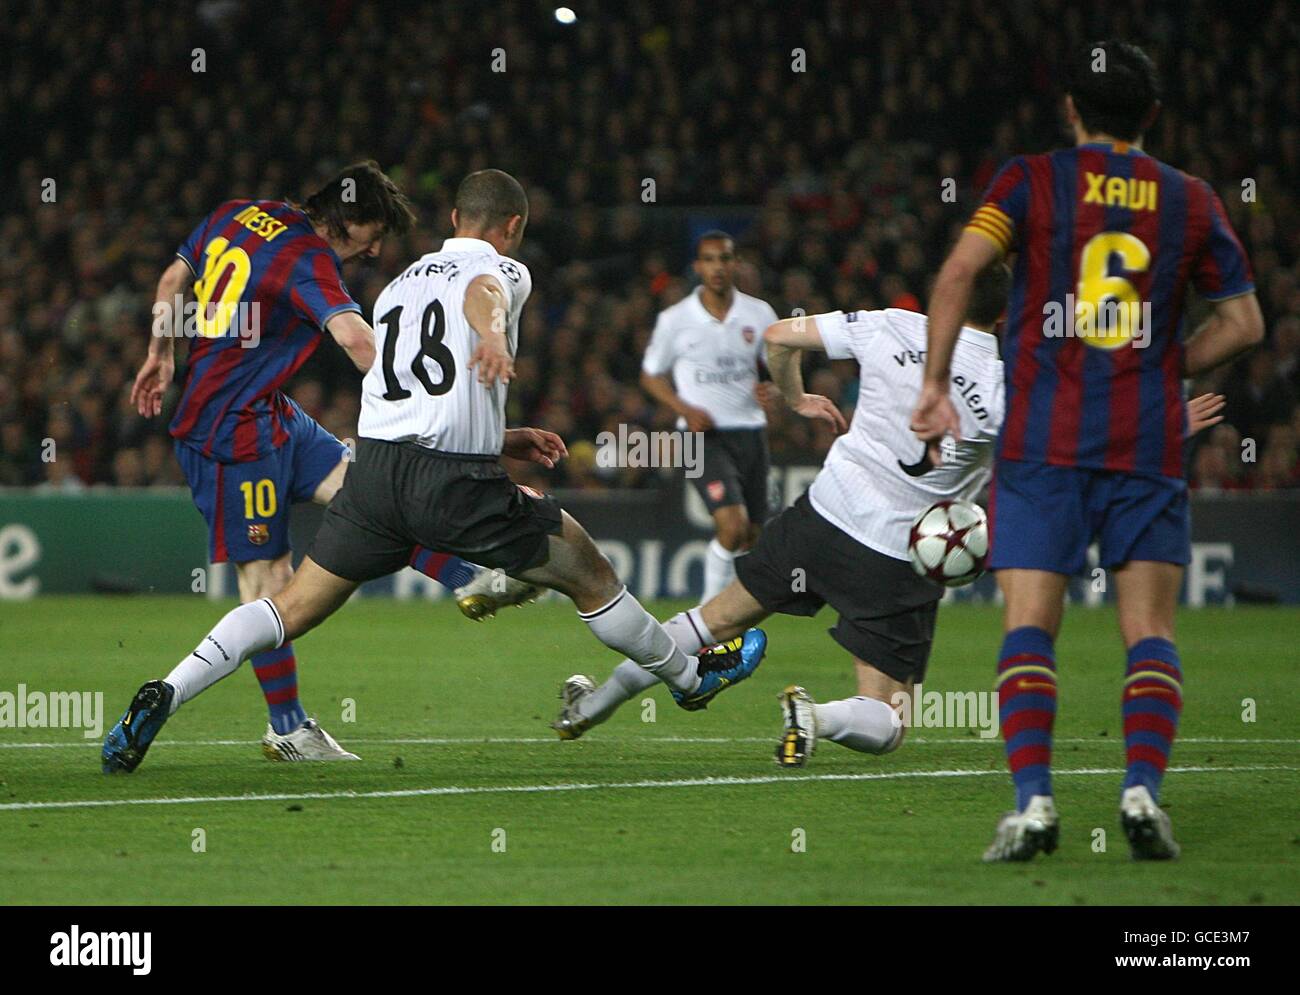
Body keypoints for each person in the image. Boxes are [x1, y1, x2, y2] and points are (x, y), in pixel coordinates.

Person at [103, 169, 766, 774]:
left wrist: (163, 349)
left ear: (451, 217)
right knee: (589, 572)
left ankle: (170, 687)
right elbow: (477, 295)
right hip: (264, 436)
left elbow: (174, 282)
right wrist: (496, 336)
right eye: (368, 237)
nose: (371, 253)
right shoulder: (488, 269)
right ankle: (684, 675)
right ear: (510, 229)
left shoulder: (383, 281)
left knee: (285, 605)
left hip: (371, 467)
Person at [909, 41, 1264, 861]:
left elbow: (959, 271)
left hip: (1044, 443)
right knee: (1150, 631)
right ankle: (1142, 789)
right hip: (1146, 440)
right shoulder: (1191, 198)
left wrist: (933, 383)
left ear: (1071, 109)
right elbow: (1246, 323)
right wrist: (1160, 366)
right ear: (1152, 116)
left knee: (1030, 626)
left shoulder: (1031, 181)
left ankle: (1034, 805)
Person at [640, 231, 780, 599]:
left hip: (750, 431)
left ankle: (735, 619)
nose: (718, 267)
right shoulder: (675, 319)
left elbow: (778, 366)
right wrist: (684, 409)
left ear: (736, 264)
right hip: (701, 438)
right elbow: (650, 374)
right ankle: (707, 619)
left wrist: (775, 388)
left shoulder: (759, 313)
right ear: (698, 266)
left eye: (725, 259)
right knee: (731, 528)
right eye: (710, 260)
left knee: (752, 535)